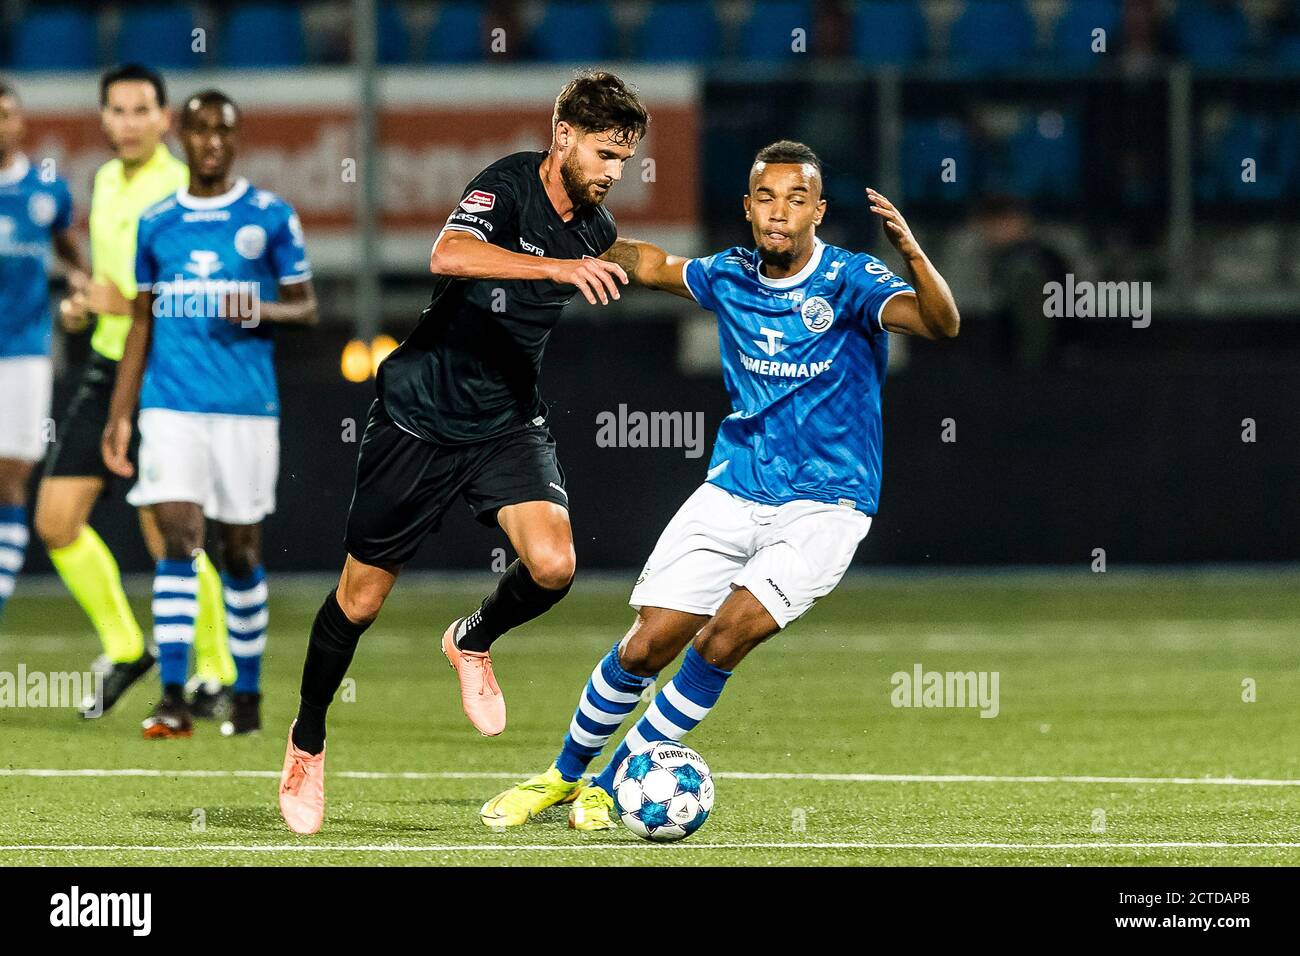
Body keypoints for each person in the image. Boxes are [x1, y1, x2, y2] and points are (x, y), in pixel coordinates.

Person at [478, 140, 961, 832]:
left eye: (797, 200)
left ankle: (613, 789)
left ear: (818, 212)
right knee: (646, 644)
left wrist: (911, 251)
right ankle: (561, 779)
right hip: (735, 489)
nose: (779, 213)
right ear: (747, 206)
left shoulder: (853, 280)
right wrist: (564, 245)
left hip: (826, 506)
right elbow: (649, 263)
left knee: (722, 638)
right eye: (766, 197)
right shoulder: (730, 275)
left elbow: (942, 323)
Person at [278, 70, 648, 835]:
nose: (615, 173)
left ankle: (471, 638)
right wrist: (554, 268)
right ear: (564, 137)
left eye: (626, 160)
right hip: (418, 418)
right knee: (360, 602)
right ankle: (307, 743)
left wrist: (727, 278)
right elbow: (447, 255)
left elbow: (639, 259)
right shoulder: (508, 186)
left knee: (553, 566)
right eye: (607, 154)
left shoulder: (594, 226)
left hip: (507, 423)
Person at [102, 90, 317, 738]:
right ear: (184, 138)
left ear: (236, 137)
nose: (211, 141)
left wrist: (259, 311)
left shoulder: (271, 216)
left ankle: (247, 695)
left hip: (246, 409)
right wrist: (120, 412)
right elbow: (140, 320)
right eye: (198, 130)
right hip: (170, 405)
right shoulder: (156, 221)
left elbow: (306, 308)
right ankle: (173, 695)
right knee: (179, 536)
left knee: (241, 551)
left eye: (222, 130)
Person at [34, 65, 238, 721]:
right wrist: (84, 307)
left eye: (140, 110)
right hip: (104, 364)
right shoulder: (103, 181)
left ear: (163, 117)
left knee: (167, 532)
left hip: (162, 371)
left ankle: (216, 671)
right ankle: (126, 648)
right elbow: (110, 286)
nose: (128, 122)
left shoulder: (180, 189)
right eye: (116, 111)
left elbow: (207, 296)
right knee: (56, 520)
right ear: (104, 120)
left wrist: (120, 300)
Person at [0, 81, 85, 621]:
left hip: (26, 350)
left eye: (6, 112)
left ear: (21, 122)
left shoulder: (47, 190)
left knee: (12, 473)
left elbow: (70, 253)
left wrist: (83, 283)